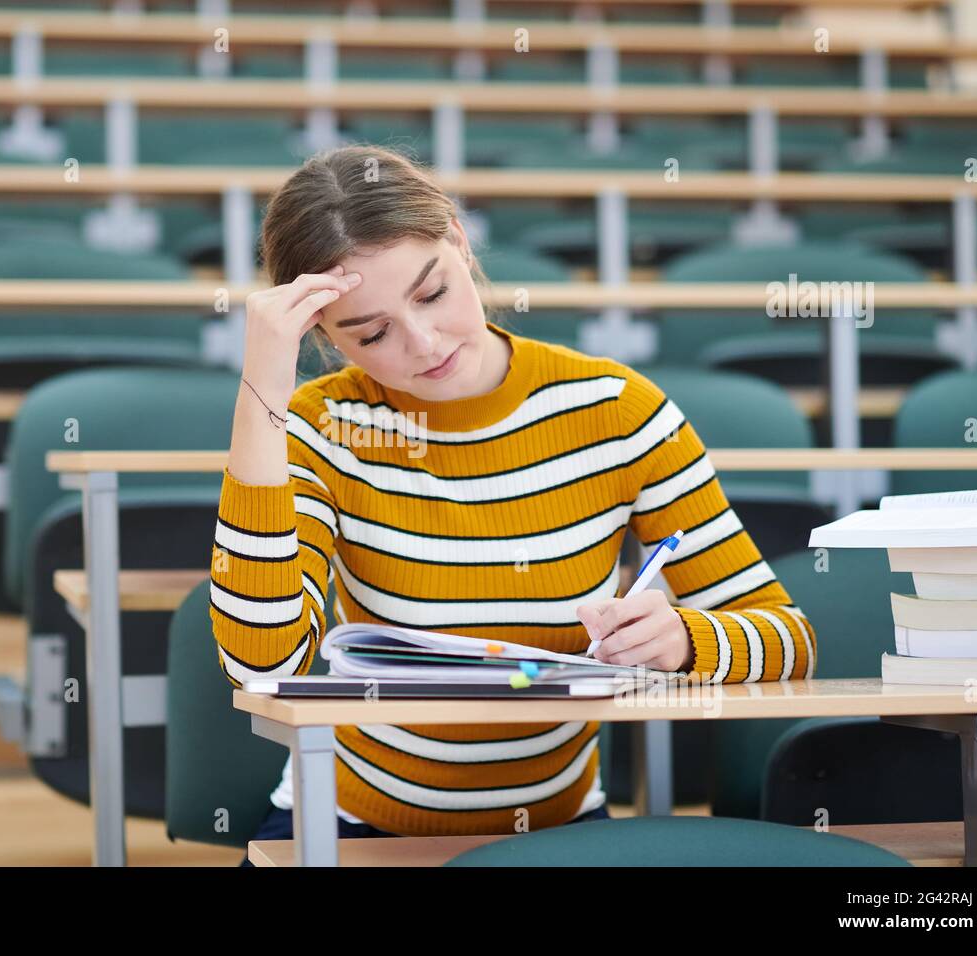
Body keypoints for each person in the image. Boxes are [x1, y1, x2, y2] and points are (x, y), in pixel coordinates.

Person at [209, 145, 817, 865]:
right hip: (348, 828)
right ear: (321, 336)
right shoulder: (320, 423)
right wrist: (262, 397)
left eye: (432, 294)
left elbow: (789, 640)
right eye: (370, 334)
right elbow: (260, 663)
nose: (424, 342)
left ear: (459, 242)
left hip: (560, 837)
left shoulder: (615, 410)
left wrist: (685, 641)